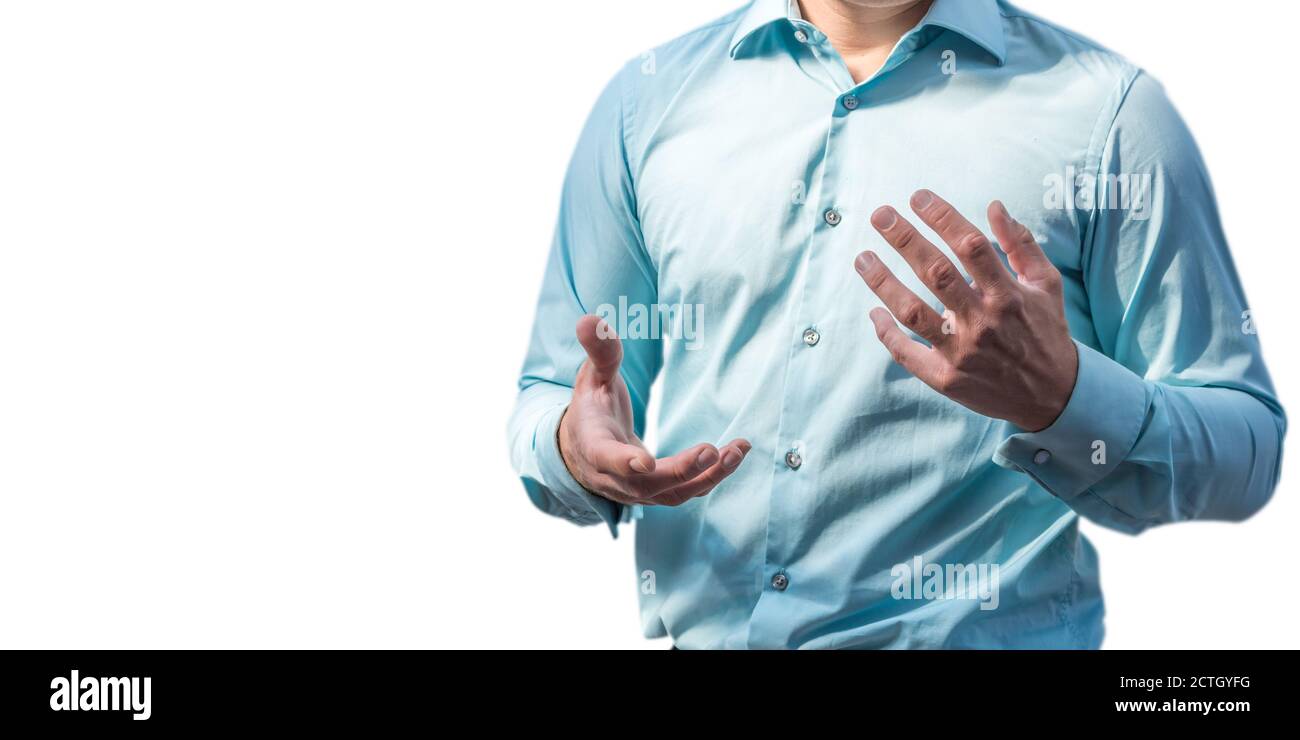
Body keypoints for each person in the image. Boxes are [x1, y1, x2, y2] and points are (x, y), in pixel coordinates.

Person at [506, 0, 1285, 648]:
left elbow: (1246, 447)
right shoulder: (647, 104)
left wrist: (1068, 398)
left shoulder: (1108, 114)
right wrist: (573, 450)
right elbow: (556, 391)